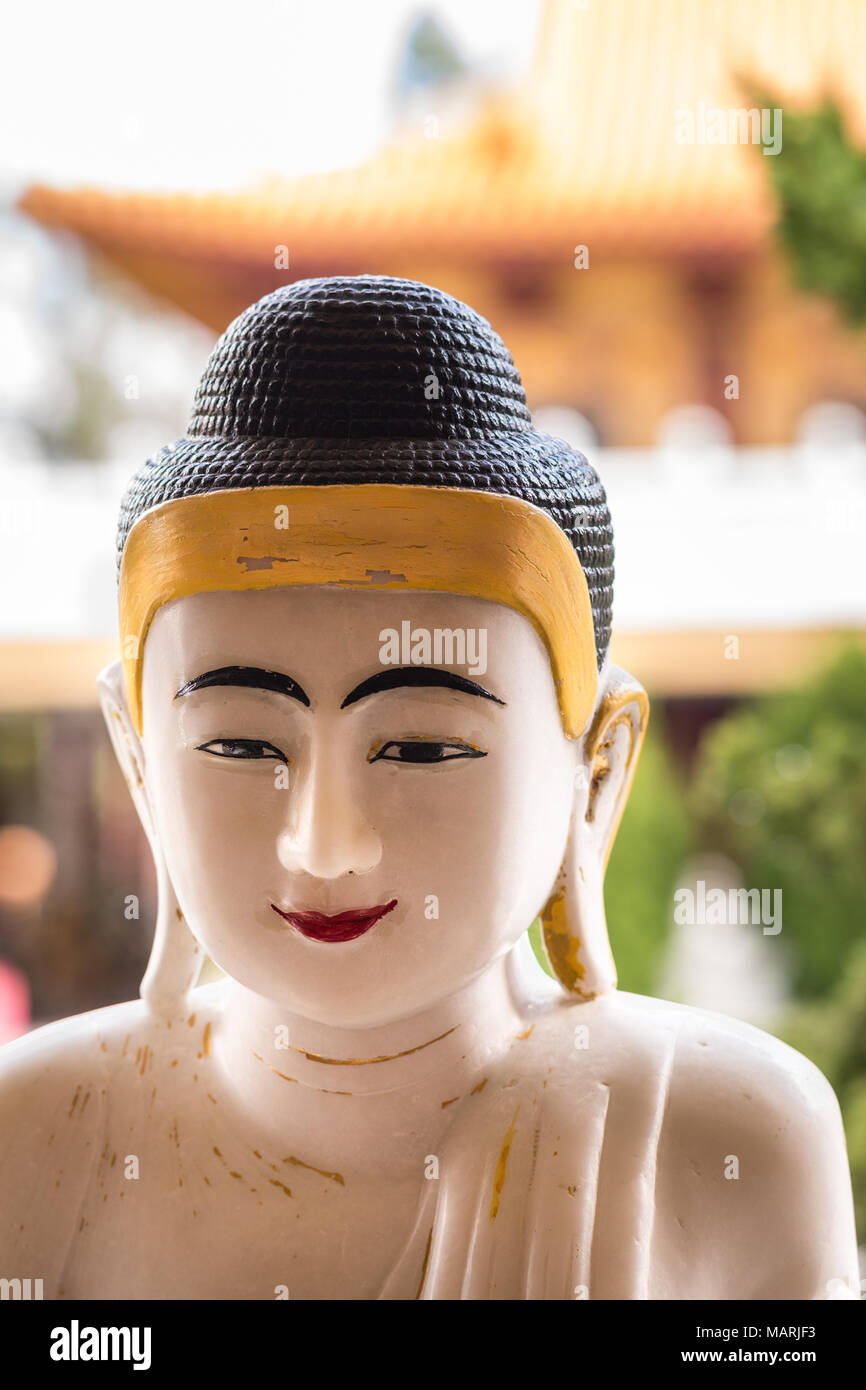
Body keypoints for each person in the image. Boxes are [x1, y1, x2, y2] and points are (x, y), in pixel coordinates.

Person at [0, 277, 858, 1299]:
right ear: (139, 760)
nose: (323, 844)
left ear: (594, 772)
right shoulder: (44, 1138)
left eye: (416, 747)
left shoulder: (730, 1141)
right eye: (239, 745)